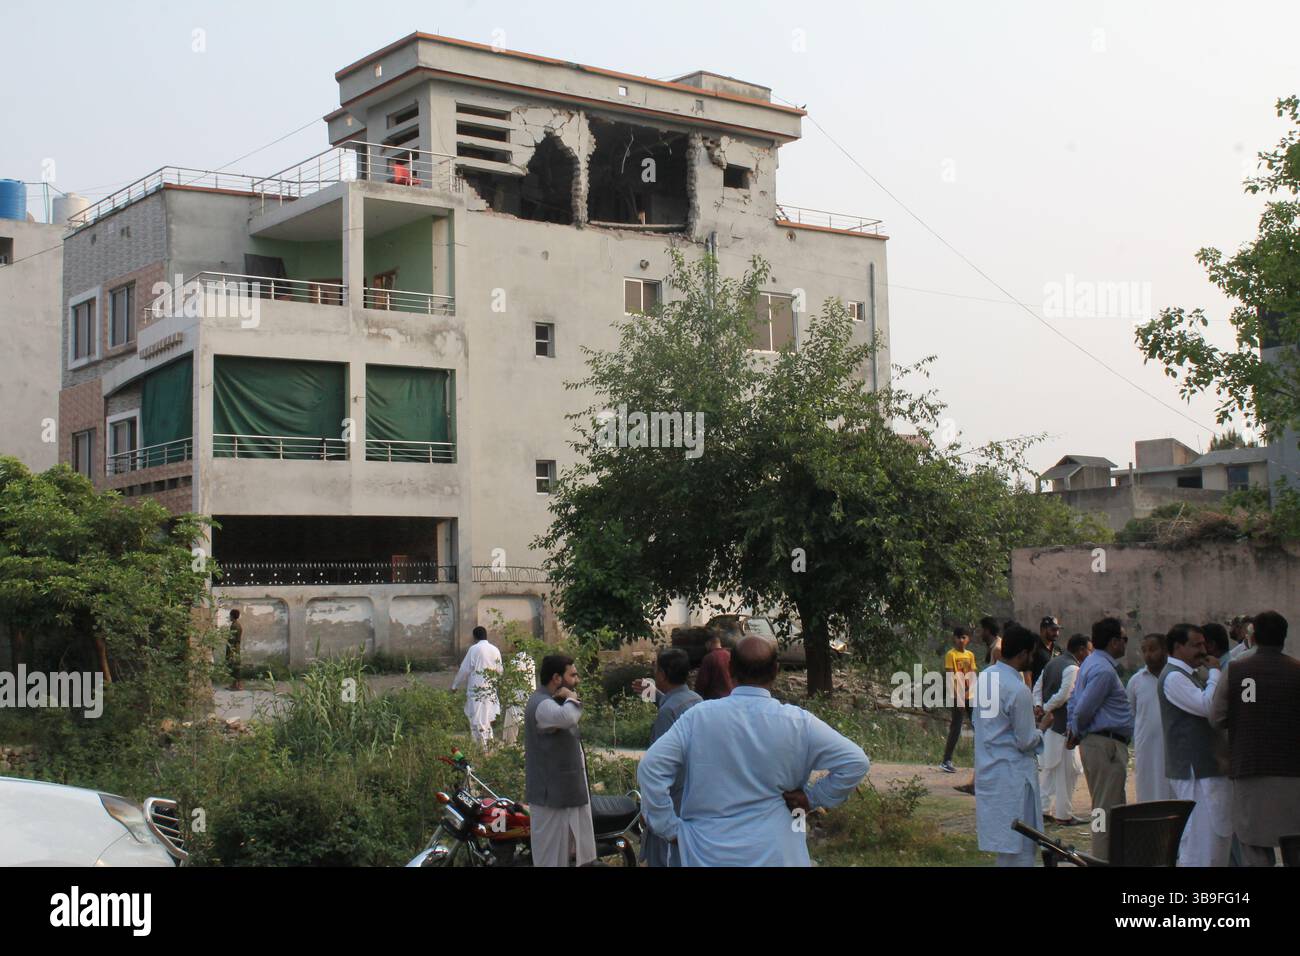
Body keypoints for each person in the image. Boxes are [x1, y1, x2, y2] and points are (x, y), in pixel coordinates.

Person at [637, 636, 869, 866]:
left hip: (708, 853)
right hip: (778, 854)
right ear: (776, 670)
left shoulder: (699, 717)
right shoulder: (798, 723)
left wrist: (670, 828)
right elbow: (855, 762)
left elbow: (651, 768)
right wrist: (813, 797)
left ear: (730, 668)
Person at [1211, 611, 1300, 866]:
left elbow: (1216, 717)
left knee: (1254, 846)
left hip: (1251, 770)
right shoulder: (1297, 671)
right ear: (1283, 638)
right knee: (1295, 843)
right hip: (1294, 773)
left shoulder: (1237, 670)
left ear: (1253, 637)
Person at [973, 625, 1050, 866]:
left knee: (1005, 848)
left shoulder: (986, 676)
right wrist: (1043, 727)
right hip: (1014, 776)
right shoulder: (1018, 690)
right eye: (1032, 654)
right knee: (1021, 849)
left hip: (990, 767)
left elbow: (984, 722)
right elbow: (1026, 741)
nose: (1033, 659)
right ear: (1023, 654)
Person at [1158, 623, 1229, 867]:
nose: (1203, 649)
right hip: (1195, 772)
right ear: (1178, 647)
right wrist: (1216, 673)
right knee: (1200, 844)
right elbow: (1209, 708)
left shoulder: (1190, 674)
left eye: (1203, 644)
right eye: (1196, 645)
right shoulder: (1174, 677)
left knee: (1214, 840)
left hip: (1206, 768)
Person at [1066, 616, 1133, 862]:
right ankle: (1102, 858)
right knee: (1105, 810)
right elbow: (1083, 708)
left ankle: (1108, 856)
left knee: (1108, 807)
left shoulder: (1090, 664)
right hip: (1105, 745)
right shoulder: (1103, 670)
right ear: (1114, 641)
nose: (1126, 644)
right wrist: (1077, 728)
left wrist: (1074, 730)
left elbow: (1074, 700)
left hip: (1098, 743)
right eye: (1124, 639)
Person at [631, 648, 702, 866]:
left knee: (665, 857)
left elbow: (657, 769)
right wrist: (654, 695)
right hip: (696, 797)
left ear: (661, 674)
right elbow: (673, 702)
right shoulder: (697, 700)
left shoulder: (667, 714)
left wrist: (648, 809)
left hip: (672, 803)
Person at [525, 654, 596, 867]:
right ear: (557, 678)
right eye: (572, 675)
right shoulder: (542, 705)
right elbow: (568, 717)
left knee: (571, 857)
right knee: (550, 859)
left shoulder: (552, 702)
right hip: (550, 798)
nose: (577, 680)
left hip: (564, 794)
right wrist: (571, 696)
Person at [1038, 633, 1090, 824]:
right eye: (1089, 650)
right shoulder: (1074, 668)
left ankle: (1044, 809)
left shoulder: (1052, 662)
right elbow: (1064, 695)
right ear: (1082, 650)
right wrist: (1044, 709)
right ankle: (1064, 815)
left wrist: (1039, 706)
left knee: (1053, 769)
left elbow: (1038, 687)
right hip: (1063, 727)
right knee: (1068, 772)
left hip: (1053, 726)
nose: (1090, 655)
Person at [955, 617, 1002, 794]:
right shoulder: (993, 648)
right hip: (989, 700)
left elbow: (999, 678)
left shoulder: (997, 649)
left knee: (985, 742)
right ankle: (977, 782)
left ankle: (979, 783)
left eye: (981, 630)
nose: (979, 634)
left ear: (988, 630)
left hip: (994, 703)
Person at [1126, 634, 1175, 803]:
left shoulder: (1175, 678)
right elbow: (1131, 712)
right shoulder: (1136, 681)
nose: (1148, 654)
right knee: (1148, 790)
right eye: (1144, 650)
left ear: (1165, 650)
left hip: (1172, 747)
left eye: (1153, 649)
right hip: (1146, 747)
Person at [451, 626, 503, 747]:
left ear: (474, 637)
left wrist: (455, 685)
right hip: (490, 689)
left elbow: (464, 670)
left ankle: (482, 748)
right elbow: (500, 670)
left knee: (477, 719)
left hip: (476, 690)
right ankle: (488, 746)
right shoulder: (495, 650)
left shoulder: (474, 649)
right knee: (487, 719)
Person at [940, 626, 977, 773]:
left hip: (970, 695)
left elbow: (973, 674)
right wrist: (959, 697)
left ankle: (979, 759)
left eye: (964, 637)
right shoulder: (951, 655)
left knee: (978, 726)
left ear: (968, 639)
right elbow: (950, 677)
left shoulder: (970, 655)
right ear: (953, 638)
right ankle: (946, 760)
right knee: (956, 727)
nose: (961, 640)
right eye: (958, 637)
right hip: (958, 696)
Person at [500, 650, 536, 746]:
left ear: (514, 647)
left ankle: (511, 742)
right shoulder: (530, 660)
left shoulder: (515, 661)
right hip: (529, 692)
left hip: (516, 693)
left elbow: (510, 677)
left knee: (513, 718)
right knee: (525, 717)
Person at [694, 634, 734, 700]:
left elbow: (702, 682)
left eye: (706, 644)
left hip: (715, 698)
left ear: (709, 643)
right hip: (730, 696)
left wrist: (697, 697)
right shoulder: (730, 655)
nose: (705, 647)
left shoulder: (709, 658)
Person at [1032, 616, 1064, 695]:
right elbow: (1028, 674)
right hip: (1038, 694)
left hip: (1054, 694)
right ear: (1043, 630)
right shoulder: (1034, 648)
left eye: (1057, 630)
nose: (1056, 633)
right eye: (1053, 630)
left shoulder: (1057, 649)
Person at [225, 608, 243, 691]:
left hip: (233, 648)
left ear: (232, 616)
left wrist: (230, 650)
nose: (229, 617)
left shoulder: (235, 626)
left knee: (234, 667)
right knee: (235, 667)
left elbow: (232, 639)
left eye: (230, 615)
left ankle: (236, 686)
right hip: (236, 648)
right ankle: (236, 685)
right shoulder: (237, 624)